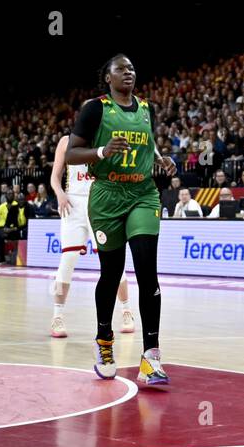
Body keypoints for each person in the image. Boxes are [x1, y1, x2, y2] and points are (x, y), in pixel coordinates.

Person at [65, 54, 177, 385]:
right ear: (108, 78)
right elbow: (72, 154)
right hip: (107, 196)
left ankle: (151, 356)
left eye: (131, 68)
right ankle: (104, 342)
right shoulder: (95, 109)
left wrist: (161, 159)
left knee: (147, 272)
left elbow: (148, 142)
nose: (128, 72)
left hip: (143, 194)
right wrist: (102, 152)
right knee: (111, 275)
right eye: (120, 69)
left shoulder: (146, 108)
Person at [48, 132, 134, 339]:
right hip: (73, 205)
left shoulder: (107, 139)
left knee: (111, 262)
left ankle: (126, 311)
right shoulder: (66, 141)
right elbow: (55, 177)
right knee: (67, 259)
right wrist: (59, 193)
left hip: (101, 203)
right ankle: (57, 315)